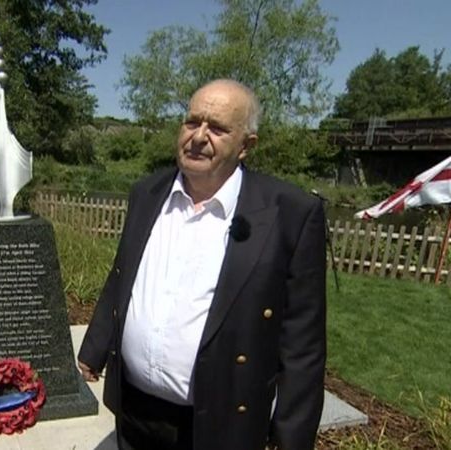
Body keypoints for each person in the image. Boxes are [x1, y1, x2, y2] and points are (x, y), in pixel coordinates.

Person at [77, 79, 326, 450]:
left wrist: (291, 439)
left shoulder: (289, 213)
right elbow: (123, 274)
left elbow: (303, 344)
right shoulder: (147, 192)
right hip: (134, 412)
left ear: (246, 145)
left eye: (219, 128)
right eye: (192, 122)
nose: (199, 136)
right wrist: (95, 347)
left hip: (220, 425)